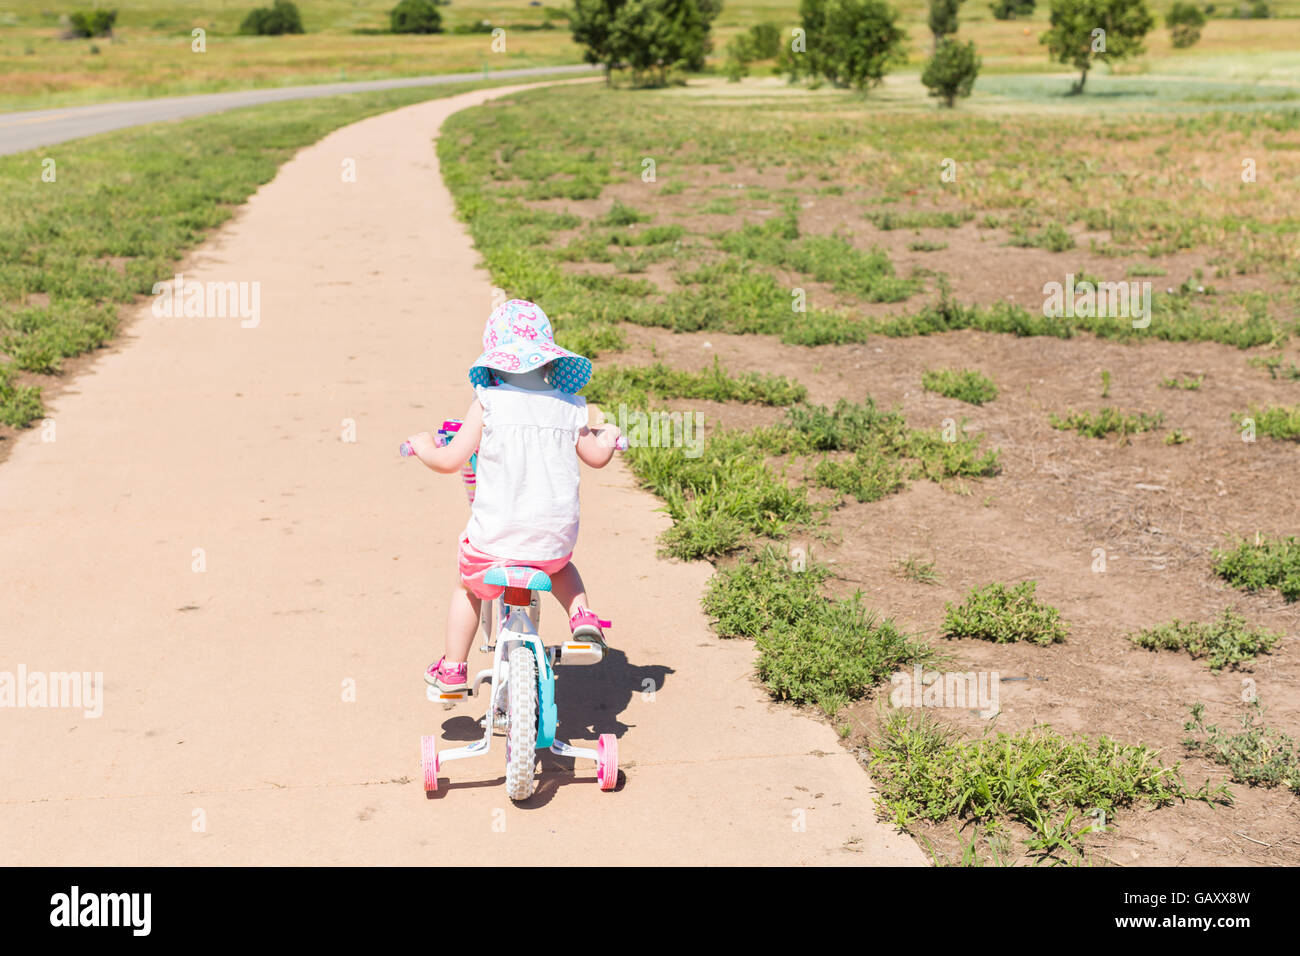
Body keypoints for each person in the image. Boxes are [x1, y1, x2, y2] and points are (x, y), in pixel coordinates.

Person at [405, 299, 621, 693]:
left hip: (495, 540)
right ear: (549, 360)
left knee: (468, 585)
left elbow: (451, 460)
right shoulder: (570, 405)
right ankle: (583, 617)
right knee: (560, 569)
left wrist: (422, 447)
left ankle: (453, 667)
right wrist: (609, 435)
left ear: (495, 362)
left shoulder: (487, 402)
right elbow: (597, 458)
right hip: (553, 538)